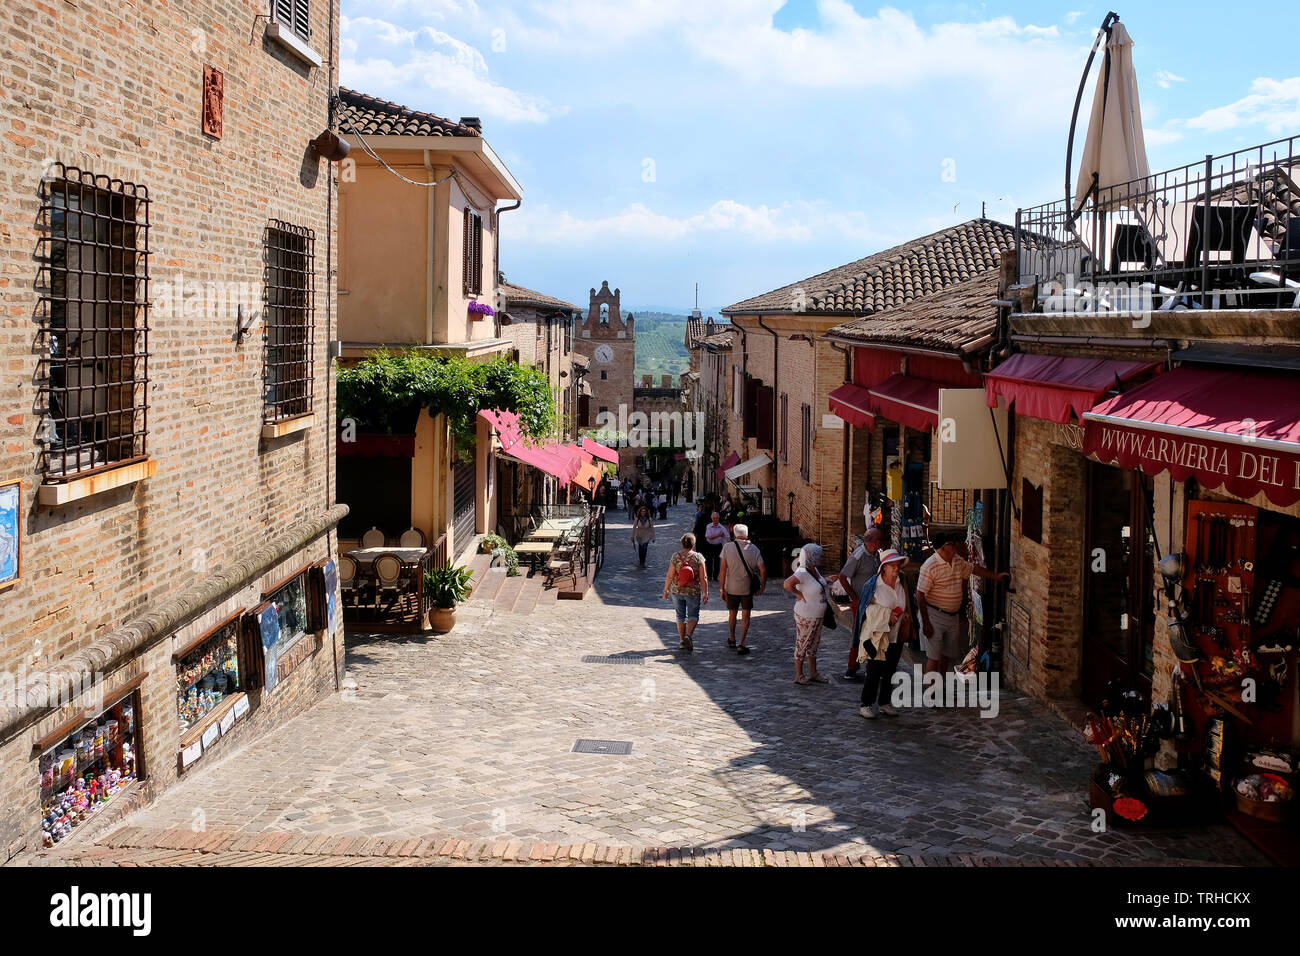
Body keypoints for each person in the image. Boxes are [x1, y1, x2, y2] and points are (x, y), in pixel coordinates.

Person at [916, 531, 1010, 674]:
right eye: (951, 544)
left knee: (946, 656)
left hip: (952, 617)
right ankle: (931, 693)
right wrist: (926, 622)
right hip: (934, 616)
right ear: (942, 548)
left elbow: (974, 569)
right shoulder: (929, 566)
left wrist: (996, 576)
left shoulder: (957, 560)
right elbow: (920, 595)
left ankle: (940, 690)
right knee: (933, 657)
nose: (956, 546)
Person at [853, 549, 911, 719]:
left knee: (891, 669)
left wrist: (906, 614)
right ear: (884, 567)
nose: (896, 568)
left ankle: (885, 702)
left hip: (896, 635)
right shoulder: (872, 586)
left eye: (898, 565)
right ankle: (866, 704)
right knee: (874, 670)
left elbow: (908, 603)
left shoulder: (903, 582)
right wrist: (886, 615)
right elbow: (866, 611)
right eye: (892, 565)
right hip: (878, 636)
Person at [837, 529, 884, 680]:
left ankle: (872, 666)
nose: (880, 543)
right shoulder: (859, 555)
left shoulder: (876, 555)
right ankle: (852, 667)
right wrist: (854, 598)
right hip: (861, 603)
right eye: (879, 540)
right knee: (858, 634)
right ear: (871, 541)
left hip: (874, 602)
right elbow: (843, 577)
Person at [784, 543, 830, 685]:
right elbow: (787, 584)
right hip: (806, 614)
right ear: (812, 557)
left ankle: (813, 673)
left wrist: (828, 580)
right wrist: (798, 594)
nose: (821, 557)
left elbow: (816, 585)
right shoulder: (802, 572)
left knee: (813, 644)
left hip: (817, 614)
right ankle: (799, 675)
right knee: (803, 643)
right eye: (818, 555)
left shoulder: (813, 569)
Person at [719, 523, 766, 654]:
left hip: (731, 587)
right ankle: (741, 643)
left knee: (732, 614)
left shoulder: (727, 547)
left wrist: (722, 588)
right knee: (745, 616)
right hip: (747, 588)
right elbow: (762, 569)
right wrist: (763, 585)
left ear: (735, 534)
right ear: (746, 535)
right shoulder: (754, 549)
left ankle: (732, 638)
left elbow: (723, 570)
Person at [662, 532, 708, 652]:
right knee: (693, 615)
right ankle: (688, 636)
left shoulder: (675, 556)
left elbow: (670, 575)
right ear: (693, 543)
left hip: (676, 590)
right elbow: (703, 577)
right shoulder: (699, 557)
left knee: (680, 615)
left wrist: (665, 590)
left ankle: (682, 641)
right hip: (693, 591)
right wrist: (705, 592)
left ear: (682, 543)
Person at [702, 511, 730, 580]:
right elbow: (709, 537)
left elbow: (727, 536)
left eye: (717, 518)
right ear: (712, 518)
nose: (715, 520)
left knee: (717, 562)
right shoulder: (708, 526)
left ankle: (715, 577)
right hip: (709, 545)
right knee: (709, 561)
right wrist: (719, 535)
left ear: (719, 518)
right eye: (714, 518)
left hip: (718, 546)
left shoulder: (721, 527)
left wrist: (730, 542)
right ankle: (709, 576)